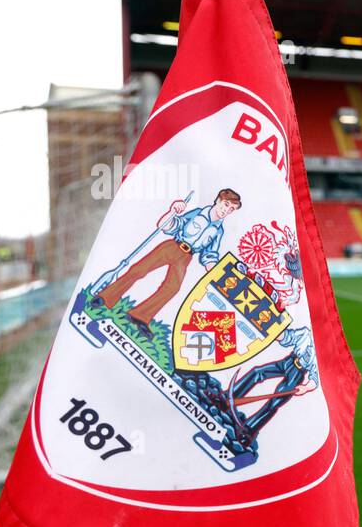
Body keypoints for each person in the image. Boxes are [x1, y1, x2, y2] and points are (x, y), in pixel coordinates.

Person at [95, 188, 242, 335]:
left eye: (231, 209)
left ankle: (140, 316)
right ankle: (105, 298)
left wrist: (213, 270)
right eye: (226, 204)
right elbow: (167, 226)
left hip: (186, 257)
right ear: (218, 200)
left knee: (172, 288)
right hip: (172, 246)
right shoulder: (198, 213)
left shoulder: (218, 231)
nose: (226, 210)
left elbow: (210, 254)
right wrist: (173, 212)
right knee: (138, 270)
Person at [230, 325, 318, 438]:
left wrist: (306, 387)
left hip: (297, 373)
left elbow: (315, 377)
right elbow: (288, 337)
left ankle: (249, 428)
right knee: (258, 372)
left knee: (275, 401)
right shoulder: (306, 333)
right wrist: (274, 332)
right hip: (288, 361)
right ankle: (231, 395)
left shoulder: (321, 354)